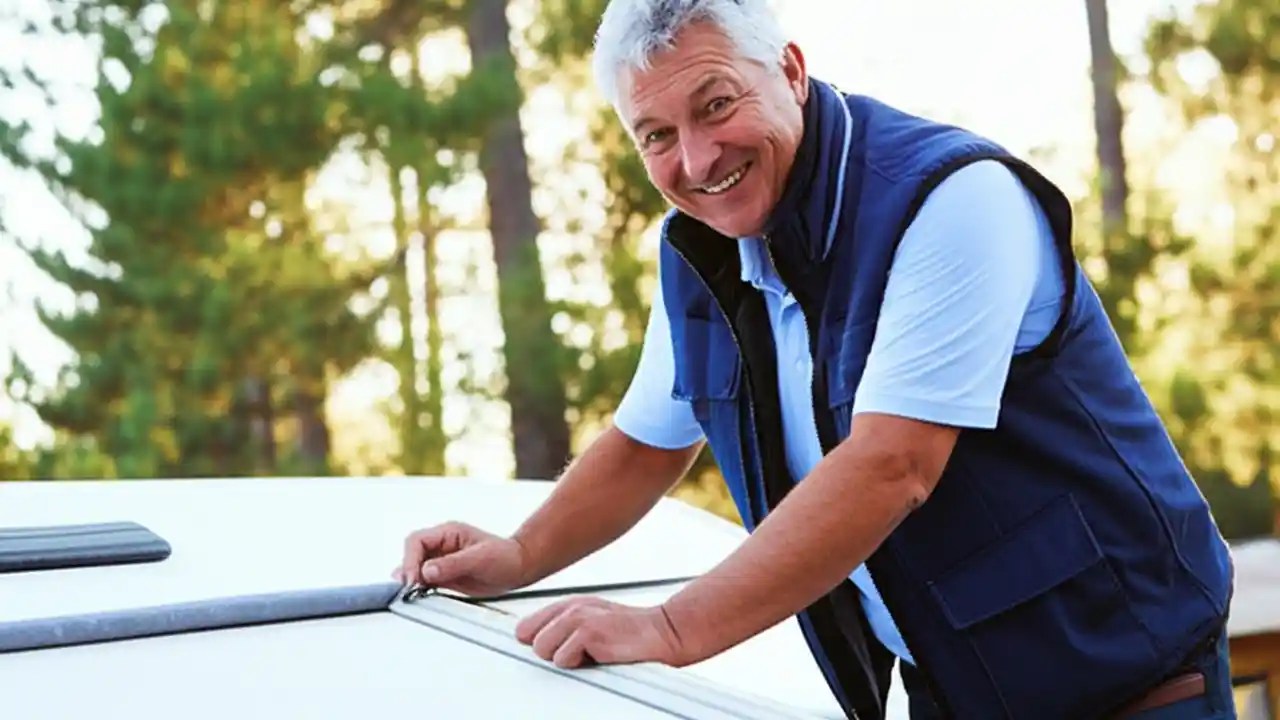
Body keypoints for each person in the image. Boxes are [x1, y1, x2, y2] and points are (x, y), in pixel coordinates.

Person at [393, 1, 1237, 717]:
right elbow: (648, 442)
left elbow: (891, 465)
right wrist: (516, 556)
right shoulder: (705, 253)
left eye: (717, 105)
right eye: (656, 135)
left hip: (1132, 687)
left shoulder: (953, 201)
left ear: (791, 71)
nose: (695, 160)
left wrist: (672, 628)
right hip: (956, 690)